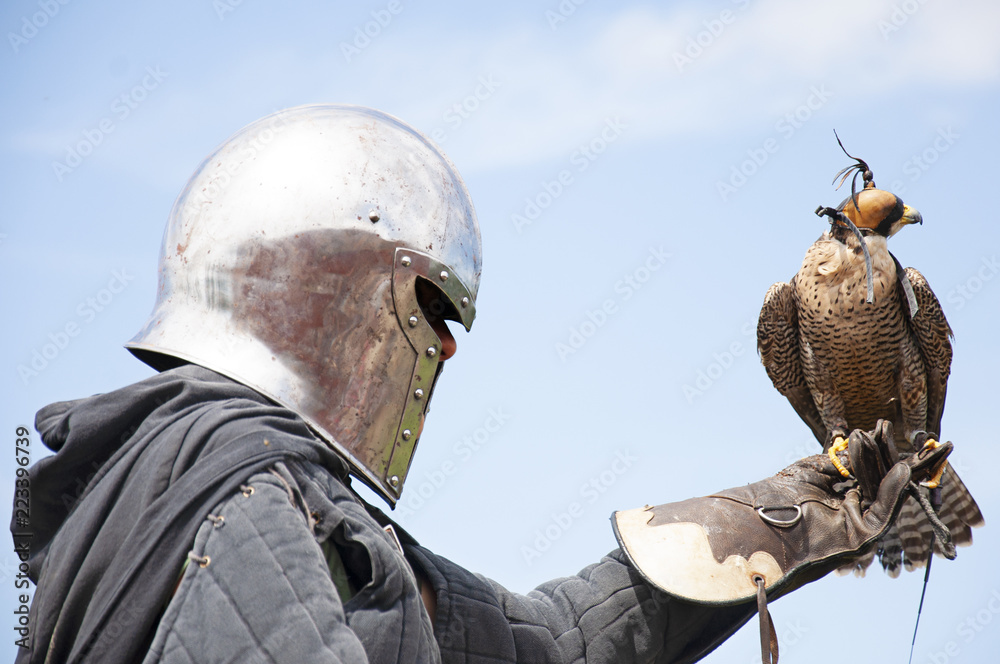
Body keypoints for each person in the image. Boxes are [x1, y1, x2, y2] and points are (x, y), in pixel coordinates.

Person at [12, 105, 948, 664]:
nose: (447, 354)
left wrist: (790, 516)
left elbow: (536, 647)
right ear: (330, 292)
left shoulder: (281, 506)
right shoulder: (238, 497)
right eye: (433, 309)